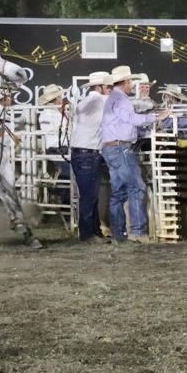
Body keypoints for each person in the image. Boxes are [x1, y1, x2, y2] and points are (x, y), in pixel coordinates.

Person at [101, 65, 170, 244]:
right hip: (121, 148)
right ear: (125, 82)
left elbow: (125, 122)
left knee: (118, 191)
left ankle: (118, 233)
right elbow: (131, 119)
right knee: (137, 187)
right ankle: (138, 232)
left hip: (111, 148)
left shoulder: (112, 98)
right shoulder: (121, 99)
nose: (132, 84)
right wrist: (156, 117)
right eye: (130, 81)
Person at [70, 71, 111, 244]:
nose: (110, 89)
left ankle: (94, 232)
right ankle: (87, 234)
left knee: (90, 195)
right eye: (108, 86)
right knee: (89, 197)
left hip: (80, 153)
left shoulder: (83, 102)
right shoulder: (102, 100)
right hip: (89, 153)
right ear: (99, 87)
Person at [37, 84, 71, 205]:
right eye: (59, 97)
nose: (61, 99)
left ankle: (64, 200)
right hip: (56, 149)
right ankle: (52, 188)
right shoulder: (46, 114)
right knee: (69, 173)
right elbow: (52, 131)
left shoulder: (59, 112)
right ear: (56, 99)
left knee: (71, 173)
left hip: (65, 148)